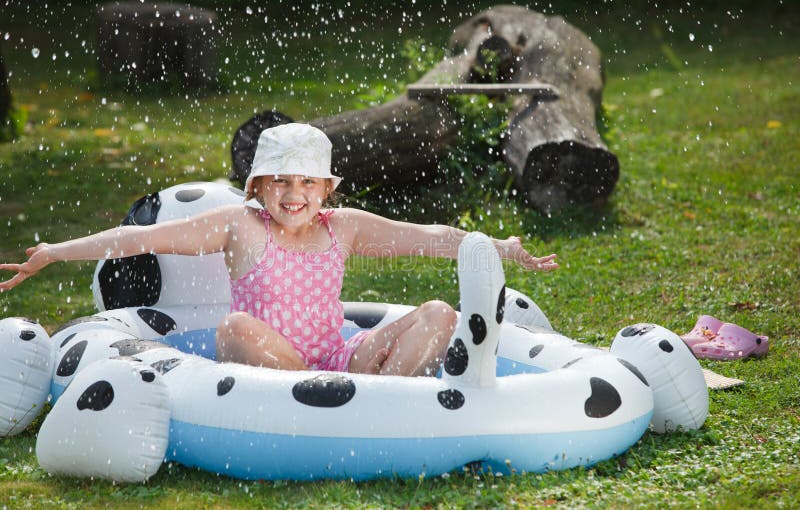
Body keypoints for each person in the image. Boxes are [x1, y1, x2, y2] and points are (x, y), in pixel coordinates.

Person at [0, 123, 558, 376]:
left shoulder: (344, 226)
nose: (295, 195)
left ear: (325, 189)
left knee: (440, 314)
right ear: (260, 186)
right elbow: (140, 239)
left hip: (341, 361)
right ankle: (345, 403)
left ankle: (378, 398)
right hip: (274, 364)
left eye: (308, 183)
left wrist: (502, 248)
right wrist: (53, 251)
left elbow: (430, 238)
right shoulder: (240, 226)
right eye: (281, 182)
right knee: (234, 325)